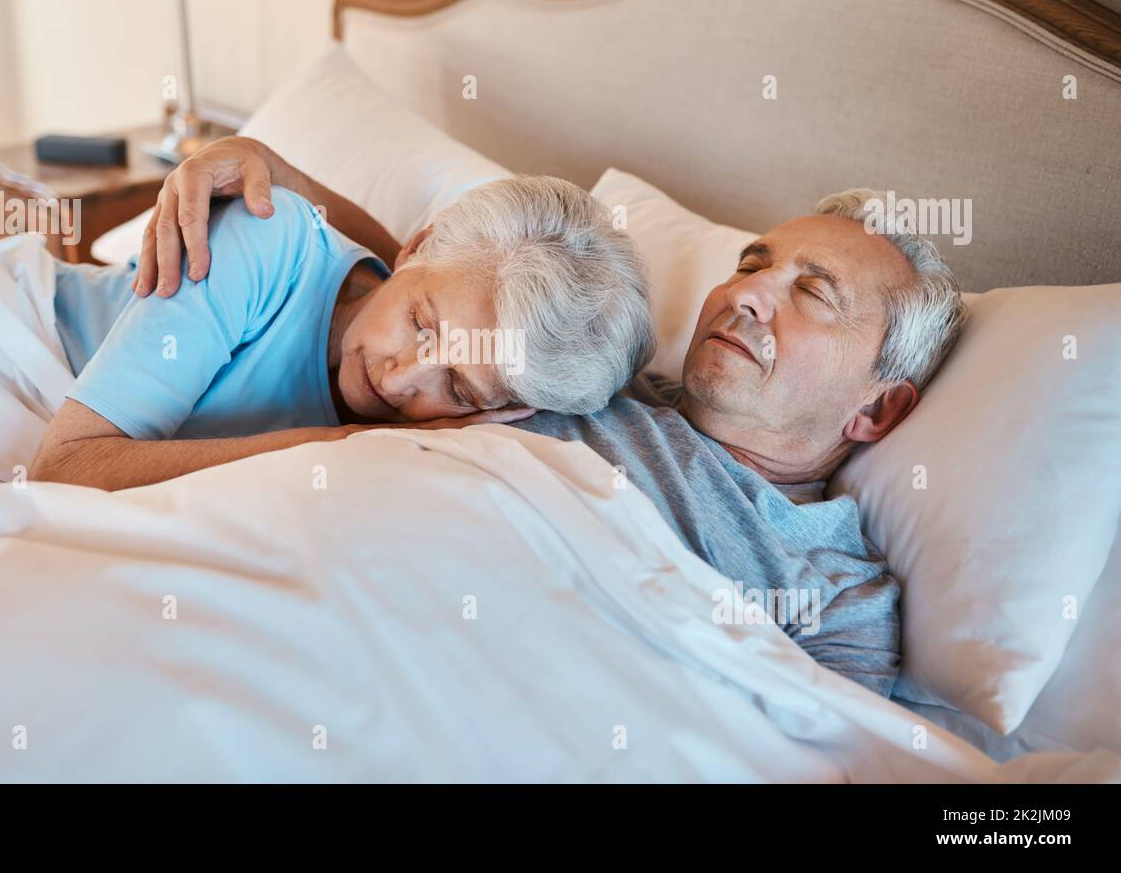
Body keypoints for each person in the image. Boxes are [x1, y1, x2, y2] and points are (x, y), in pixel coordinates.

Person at [136, 137, 968, 697]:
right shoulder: (596, 379)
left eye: (813, 292)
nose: (748, 291)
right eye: (753, 262)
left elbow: (825, 752)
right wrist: (275, 170)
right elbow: (431, 290)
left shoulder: (836, 597)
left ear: (879, 406)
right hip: (294, 584)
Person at [31, 174, 654, 491]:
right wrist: (350, 439)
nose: (398, 378)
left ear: (510, 409)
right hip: (10, 320)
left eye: (458, 388)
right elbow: (63, 469)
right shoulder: (266, 240)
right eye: (419, 325)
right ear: (417, 248)